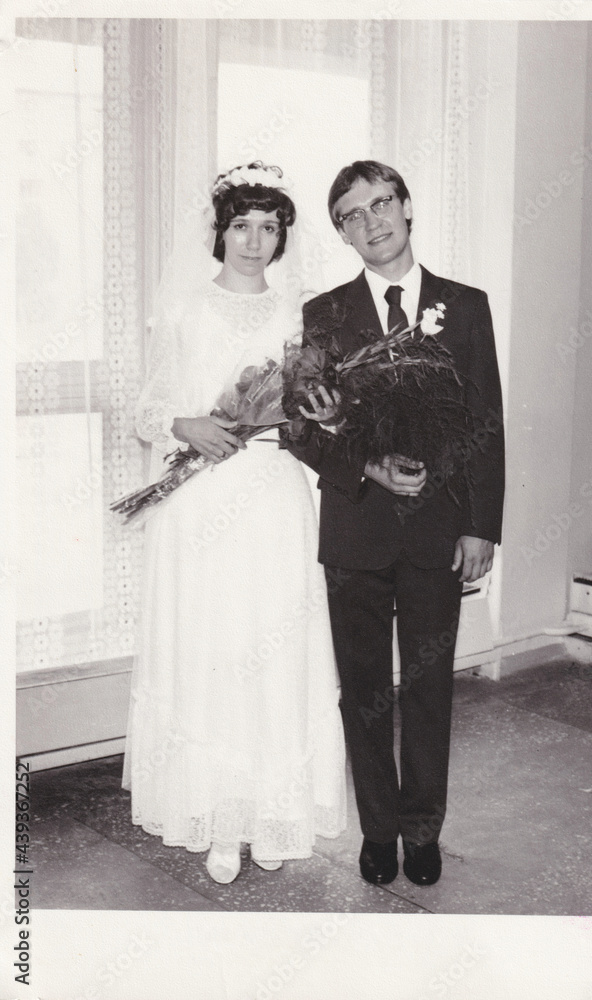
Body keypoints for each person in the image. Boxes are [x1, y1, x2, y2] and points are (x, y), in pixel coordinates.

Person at [122, 162, 346, 885]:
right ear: (219, 231)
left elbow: (317, 404)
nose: (256, 240)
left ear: (284, 236)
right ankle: (218, 819)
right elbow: (147, 406)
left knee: (273, 648)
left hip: (273, 495)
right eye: (243, 225)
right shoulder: (184, 307)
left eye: (270, 227)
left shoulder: (300, 312)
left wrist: (315, 413)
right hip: (201, 502)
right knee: (212, 652)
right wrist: (188, 424)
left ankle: (271, 814)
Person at [284, 160, 504, 887]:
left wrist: (481, 525)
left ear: (407, 208)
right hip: (355, 530)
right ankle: (378, 831)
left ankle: (422, 830)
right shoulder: (325, 314)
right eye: (352, 214)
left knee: (431, 684)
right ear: (342, 232)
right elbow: (305, 427)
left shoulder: (463, 307)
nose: (372, 221)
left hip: (439, 531)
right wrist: (367, 468)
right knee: (366, 688)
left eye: (382, 204)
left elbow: (485, 422)